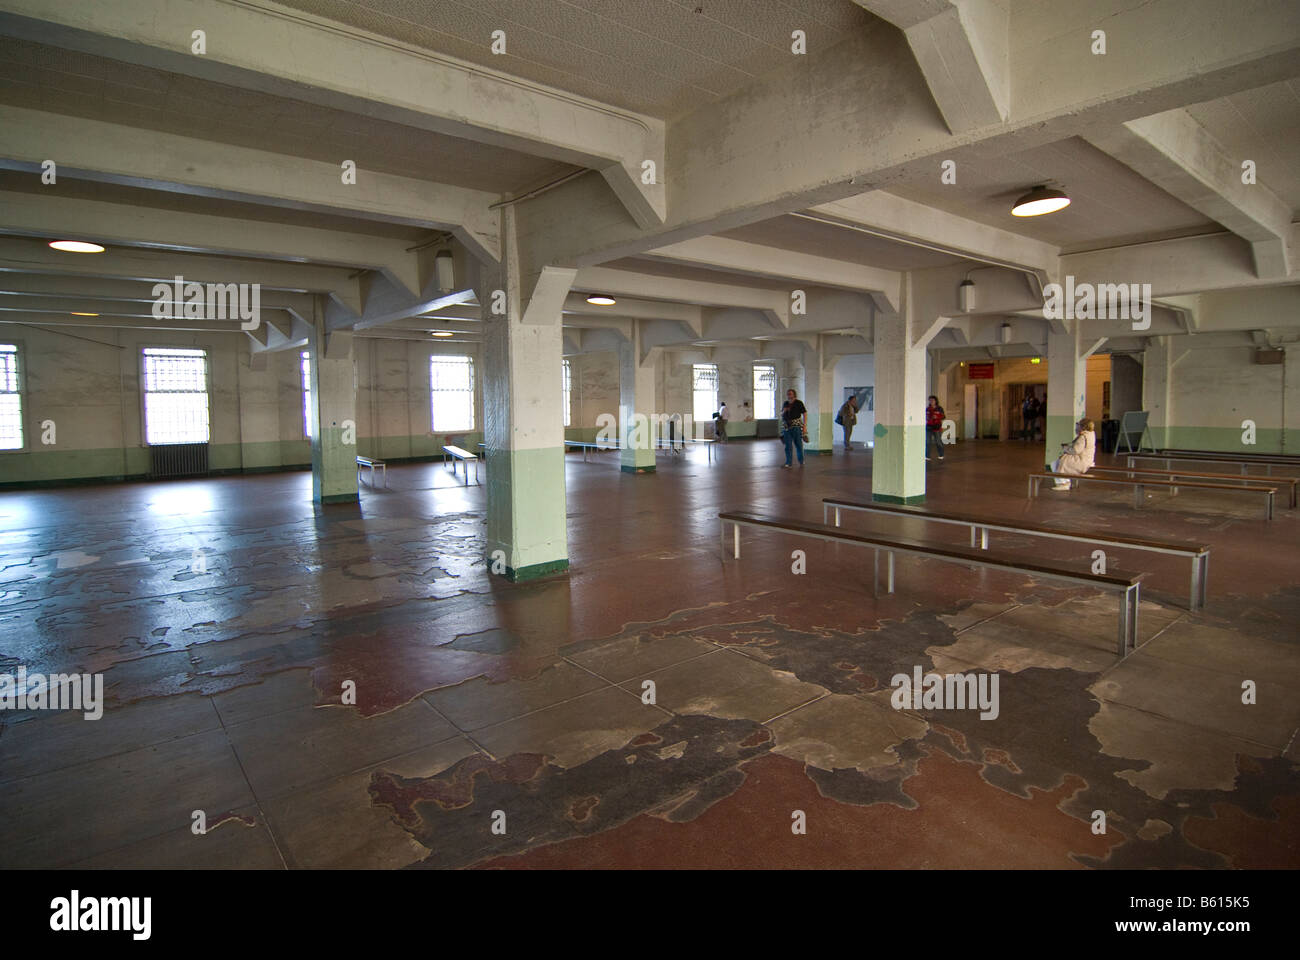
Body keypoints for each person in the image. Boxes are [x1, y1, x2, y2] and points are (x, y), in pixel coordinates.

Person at [1049, 419, 1096, 489]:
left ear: (1083, 426)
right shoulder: (1091, 434)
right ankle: (1064, 482)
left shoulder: (1083, 437)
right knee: (1056, 463)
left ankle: (1063, 483)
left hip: (1081, 461)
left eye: (1079, 425)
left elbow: (1075, 451)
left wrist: (1065, 448)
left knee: (1058, 463)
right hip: (1086, 459)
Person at [780, 389, 807, 467]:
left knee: (798, 444)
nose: (789, 395)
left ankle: (801, 460)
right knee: (788, 445)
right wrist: (784, 411)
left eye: (790, 394)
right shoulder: (785, 403)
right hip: (786, 426)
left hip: (796, 426)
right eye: (788, 394)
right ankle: (788, 462)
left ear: (794, 394)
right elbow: (782, 414)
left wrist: (804, 426)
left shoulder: (799, 403)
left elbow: (805, 413)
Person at [925, 395, 945, 461]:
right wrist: (927, 418)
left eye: (932, 400)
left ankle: (941, 454)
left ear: (936, 401)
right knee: (927, 442)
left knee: (938, 441)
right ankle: (927, 456)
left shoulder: (939, 408)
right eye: (930, 400)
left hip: (937, 427)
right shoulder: (927, 409)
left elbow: (943, 416)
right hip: (928, 427)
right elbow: (925, 416)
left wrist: (937, 417)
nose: (931, 401)